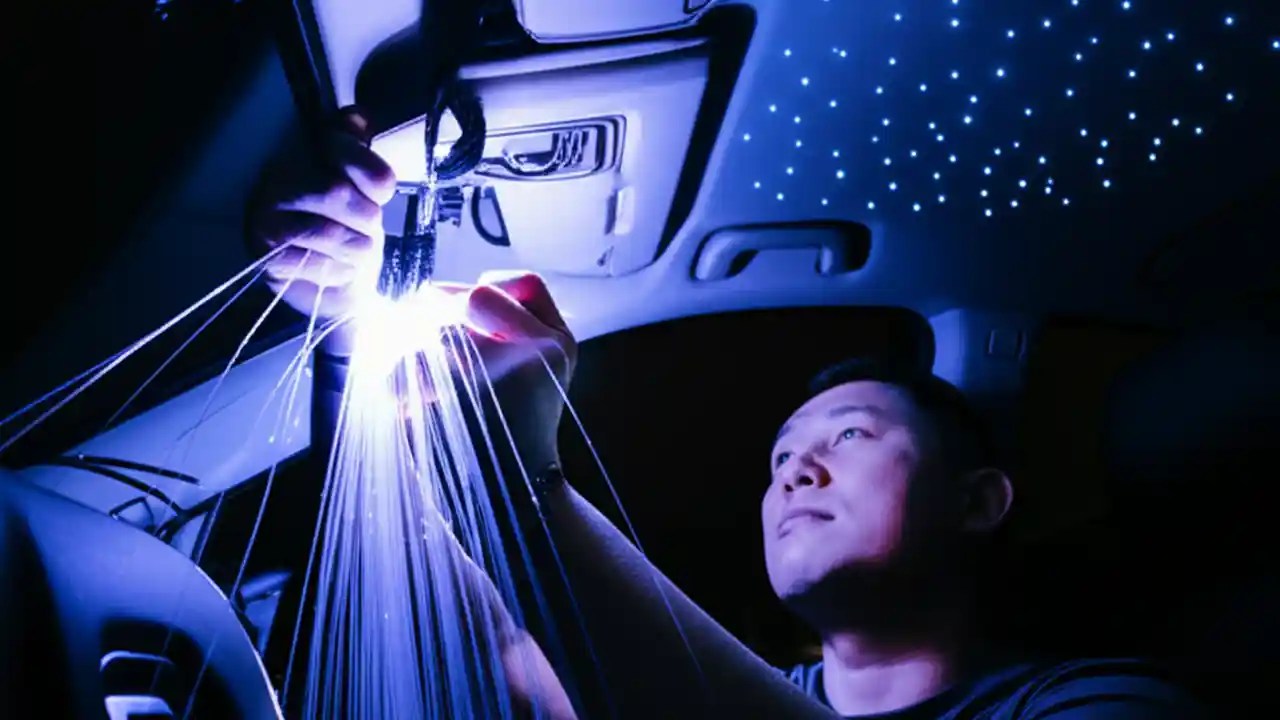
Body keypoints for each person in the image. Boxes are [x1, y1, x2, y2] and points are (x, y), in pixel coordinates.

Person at [246, 109, 1204, 718]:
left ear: (980, 499)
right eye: (783, 454)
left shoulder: (1100, 700)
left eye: (852, 435)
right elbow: (464, 627)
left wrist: (525, 489)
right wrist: (346, 336)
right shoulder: (697, 684)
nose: (795, 469)